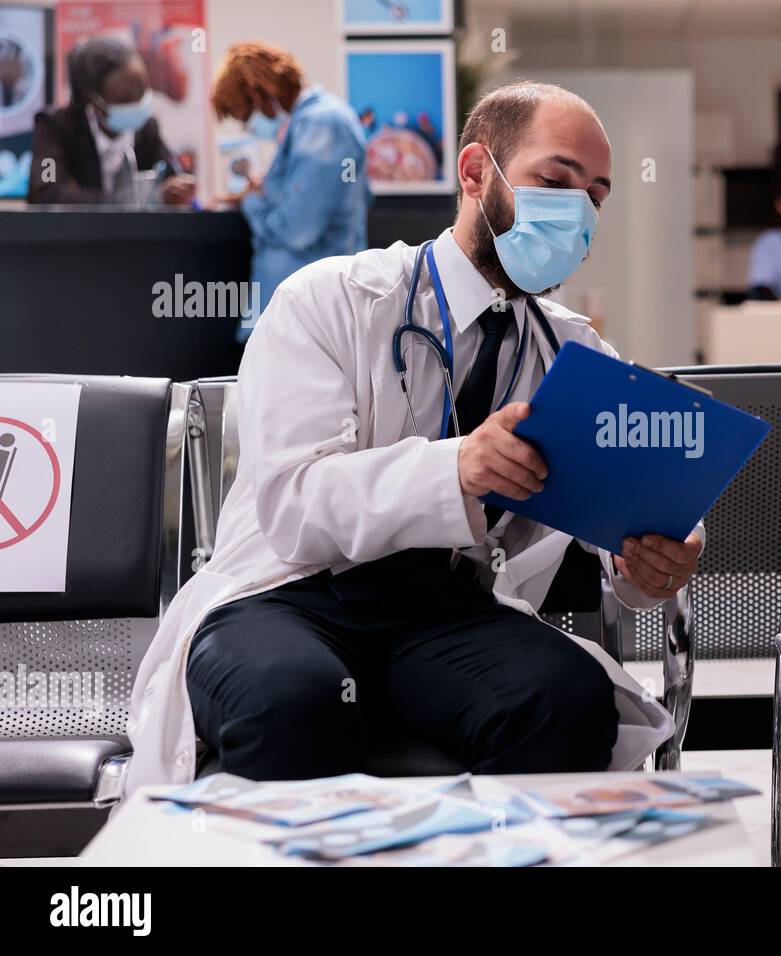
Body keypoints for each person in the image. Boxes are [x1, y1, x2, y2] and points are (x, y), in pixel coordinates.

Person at [125, 81, 704, 793]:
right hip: (288, 594)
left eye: (597, 197)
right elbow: (293, 507)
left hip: (444, 611)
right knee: (293, 700)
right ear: (474, 173)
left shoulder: (576, 358)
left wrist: (650, 560)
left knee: (563, 699)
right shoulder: (329, 300)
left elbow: (625, 524)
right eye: (554, 181)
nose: (578, 213)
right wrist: (455, 467)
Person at [209, 41, 371, 341]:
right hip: (301, 318)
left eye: (246, 116)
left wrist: (252, 202)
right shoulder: (313, 123)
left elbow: (298, 229)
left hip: (310, 320)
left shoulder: (321, 124)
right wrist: (267, 191)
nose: (248, 127)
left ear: (259, 93)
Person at [28, 36, 196, 205]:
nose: (137, 104)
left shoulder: (146, 128)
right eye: (124, 99)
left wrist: (174, 189)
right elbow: (47, 192)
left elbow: (171, 173)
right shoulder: (54, 127)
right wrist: (124, 202)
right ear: (93, 101)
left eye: (142, 91)